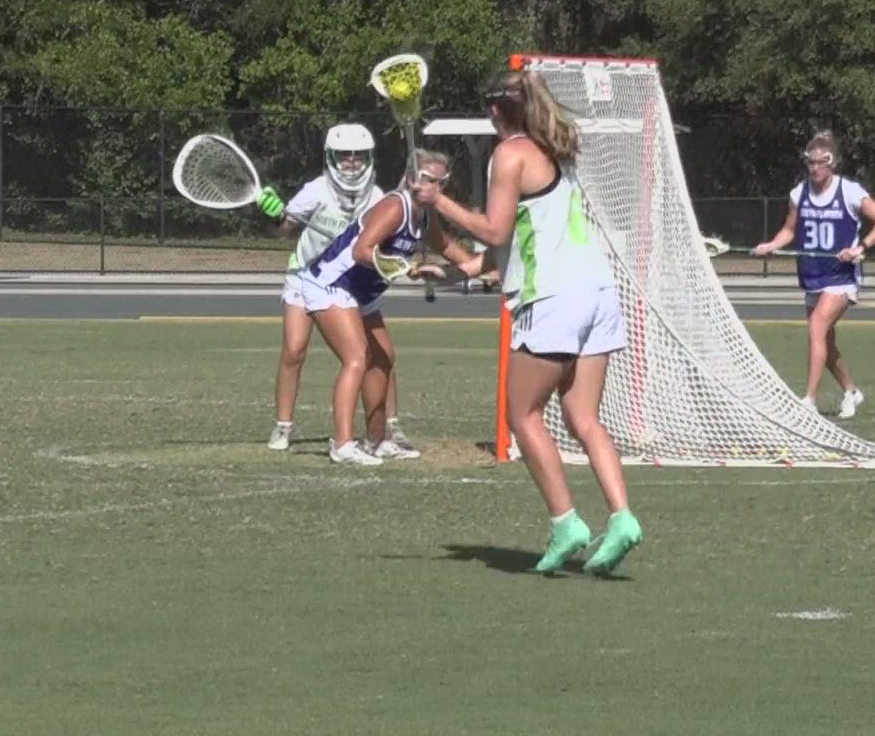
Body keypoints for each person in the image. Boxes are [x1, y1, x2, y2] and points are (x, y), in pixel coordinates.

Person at [420, 69, 643, 574]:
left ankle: (566, 523)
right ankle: (622, 517)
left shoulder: (511, 154)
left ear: (494, 110)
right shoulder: (554, 150)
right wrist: (452, 264)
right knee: (583, 417)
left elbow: (494, 228)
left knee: (522, 415)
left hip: (555, 299)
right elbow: (505, 251)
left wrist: (439, 199)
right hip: (596, 293)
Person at [300, 148, 482, 467]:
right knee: (357, 358)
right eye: (430, 180)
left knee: (383, 358)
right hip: (332, 282)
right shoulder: (395, 207)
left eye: (441, 182)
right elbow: (361, 251)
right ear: (412, 178)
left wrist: (486, 269)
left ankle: (377, 441)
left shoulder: (425, 216)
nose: (436, 188)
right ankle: (342, 445)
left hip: (363, 292)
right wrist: (398, 265)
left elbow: (446, 247)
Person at [255, 123, 413, 455]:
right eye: (344, 155)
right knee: (294, 350)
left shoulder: (377, 197)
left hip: (350, 280)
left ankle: (390, 426)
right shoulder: (316, 191)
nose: (351, 161)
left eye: (358, 155)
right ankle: (283, 426)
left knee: (381, 354)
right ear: (331, 157)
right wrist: (274, 216)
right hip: (305, 274)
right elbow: (284, 229)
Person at [751, 132, 875, 418]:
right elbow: (789, 230)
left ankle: (809, 401)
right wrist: (771, 245)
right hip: (812, 275)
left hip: (841, 276)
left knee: (816, 327)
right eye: (811, 163)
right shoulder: (799, 194)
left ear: (832, 163)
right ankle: (851, 392)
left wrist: (859, 248)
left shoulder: (849, 191)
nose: (815, 168)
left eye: (821, 163)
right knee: (825, 342)